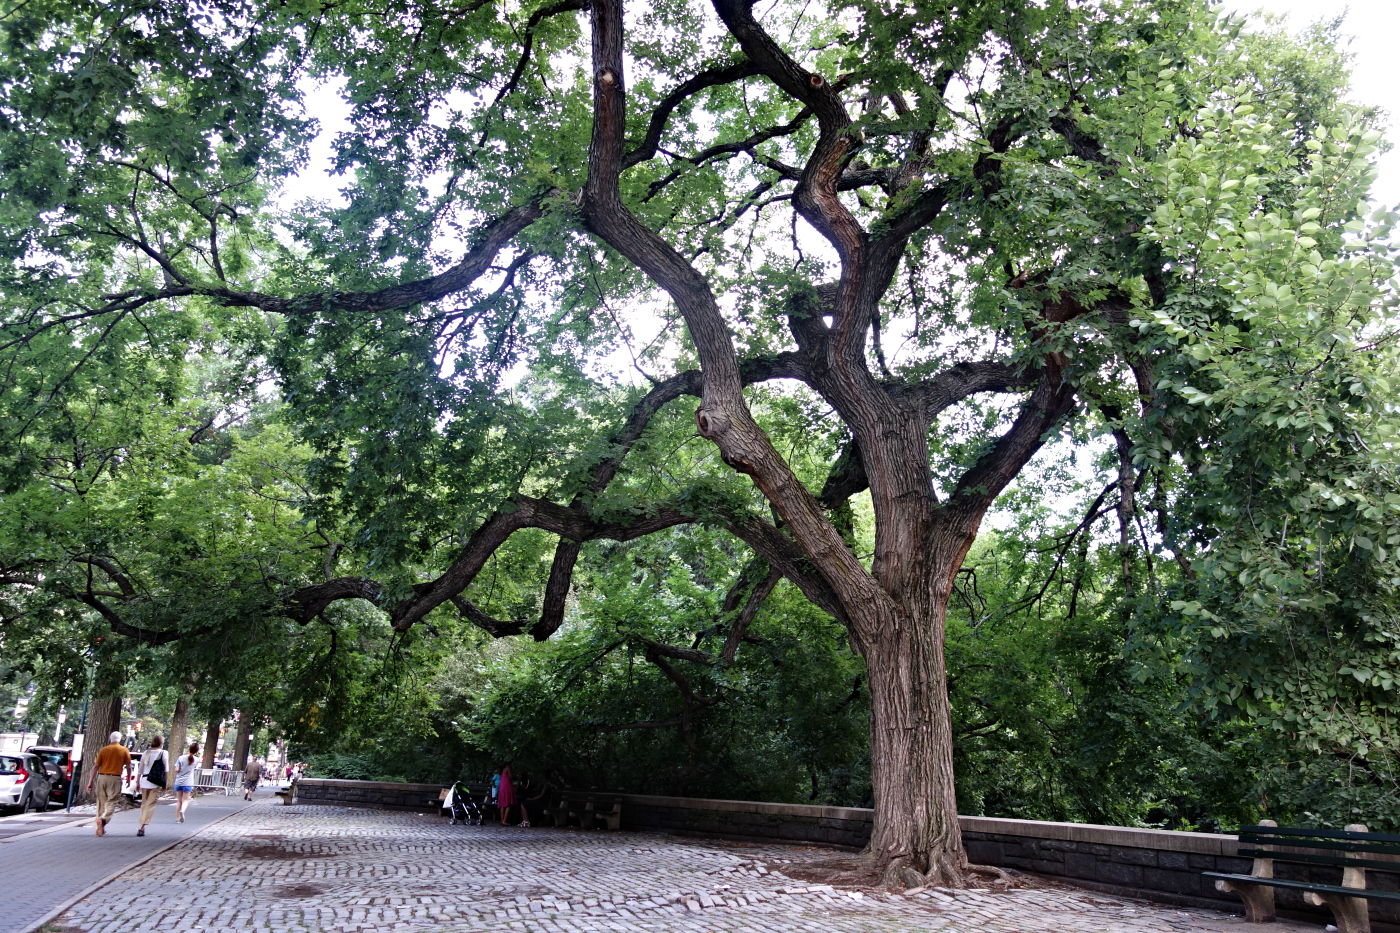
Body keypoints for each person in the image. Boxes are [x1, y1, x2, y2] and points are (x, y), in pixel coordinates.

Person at [85, 731, 132, 836]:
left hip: (102, 777)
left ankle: (99, 827)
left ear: (110, 739)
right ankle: (103, 819)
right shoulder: (124, 750)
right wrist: (128, 778)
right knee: (112, 802)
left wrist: (90, 782)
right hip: (115, 778)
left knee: (101, 803)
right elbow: (129, 766)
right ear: (120, 740)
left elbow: (95, 766)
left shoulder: (103, 750)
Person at [136, 736, 168, 836]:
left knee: (144, 804)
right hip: (156, 782)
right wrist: (165, 783)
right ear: (161, 743)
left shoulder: (146, 753)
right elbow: (166, 769)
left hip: (145, 781)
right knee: (150, 805)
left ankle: (141, 823)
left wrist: (137, 782)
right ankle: (141, 827)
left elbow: (140, 769)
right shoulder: (163, 753)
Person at [172, 741, 199, 823]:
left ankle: (177, 819)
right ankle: (182, 811)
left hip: (179, 781)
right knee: (186, 800)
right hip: (188, 782)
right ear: (196, 751)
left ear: (189, 748)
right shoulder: (197, 760)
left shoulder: (181, 758)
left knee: (179, 801)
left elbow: (176, 769)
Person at [497, 762, 521, 827]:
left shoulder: (504, 769)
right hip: (507, 787)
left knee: (503, 805)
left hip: (502, 787)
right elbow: (511, 777)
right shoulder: (508, 768)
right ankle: (504, 820)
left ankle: (502, 820)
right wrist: (517, 777)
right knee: (509, 804)